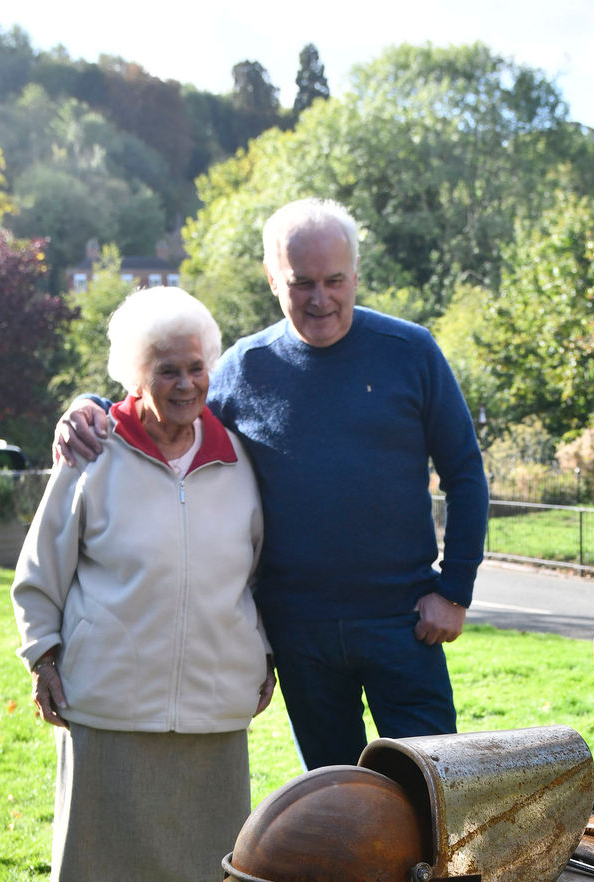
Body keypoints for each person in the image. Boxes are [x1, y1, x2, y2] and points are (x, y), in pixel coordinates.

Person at [57, 199, 489, 770]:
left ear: (356, 273)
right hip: (299, 631)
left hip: (405, 622)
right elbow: (162, 409)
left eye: (335, 280)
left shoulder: (411, 353)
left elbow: (465, 474)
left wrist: (454, 590)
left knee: (438, 790)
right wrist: (87, 406)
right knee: (333, 806)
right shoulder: (242, 368)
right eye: (301, 282)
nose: (320, 298)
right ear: (271, 278)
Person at [13, 287, 274, 882]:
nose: (185, 383)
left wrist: (262, 654)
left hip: (214, 693)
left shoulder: (237, 459)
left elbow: (260, 573)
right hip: (110, 691)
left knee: (201, 855)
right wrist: (43, 657)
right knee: (117, 852)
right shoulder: (91, 454)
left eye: (195, 367)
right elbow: (42, 565)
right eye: (166, 369)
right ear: (136, 376)